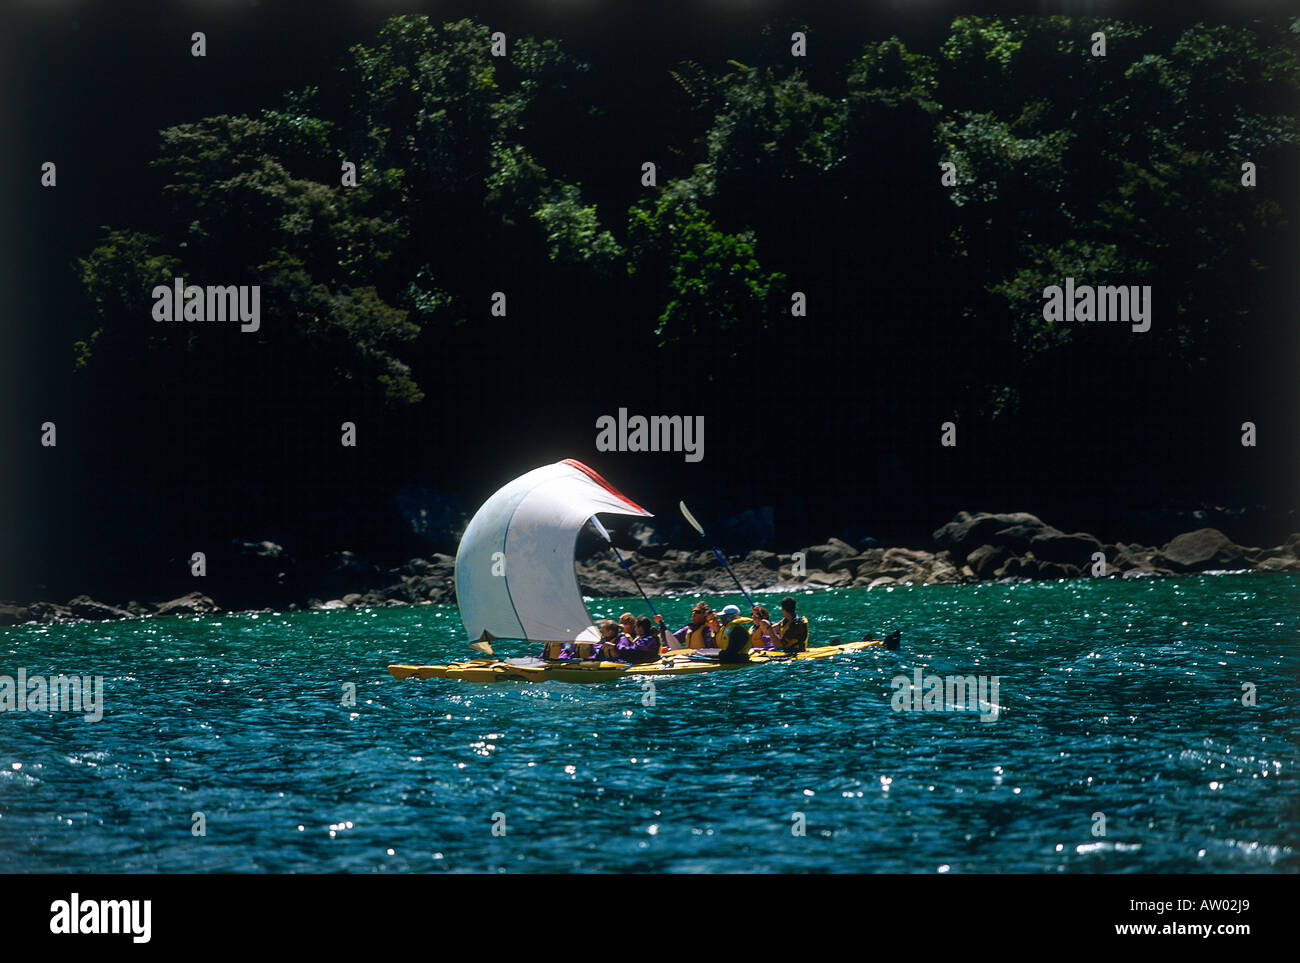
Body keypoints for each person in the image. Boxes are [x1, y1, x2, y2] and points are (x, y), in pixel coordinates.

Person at [597, 615, 661, 665]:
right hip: (639, 661)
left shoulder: (649, 640)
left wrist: (614, 647)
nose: (634, 629)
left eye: (635, 627)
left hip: (648, 662)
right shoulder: (645, 638)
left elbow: (631, 650)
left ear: (640, 628)